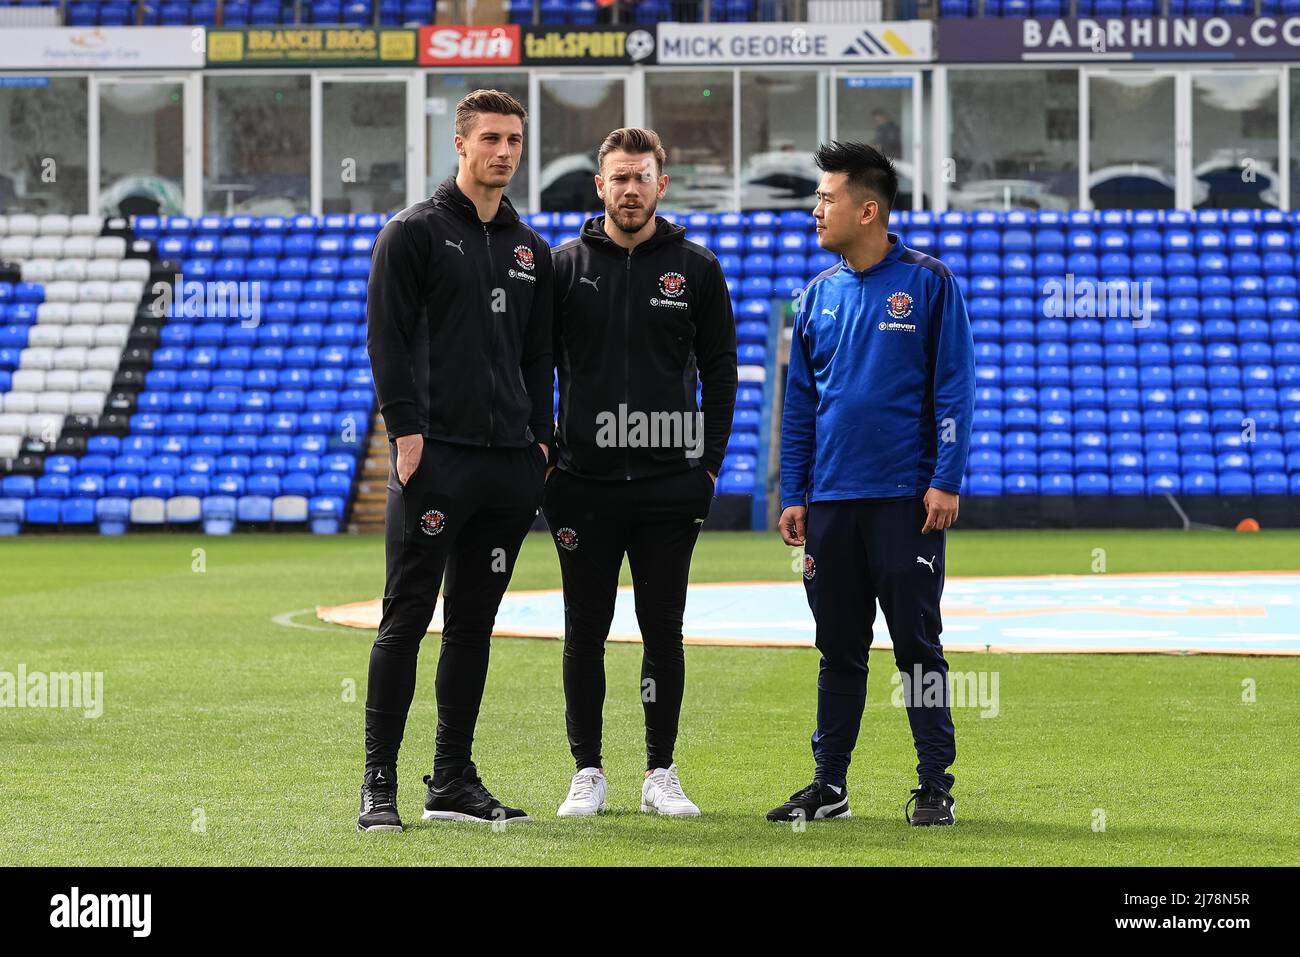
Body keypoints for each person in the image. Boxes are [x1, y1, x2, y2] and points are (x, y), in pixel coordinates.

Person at [358, 90, 553, 831]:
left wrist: (541, 439)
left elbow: (538, 355)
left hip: (508, 468)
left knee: (473, 624)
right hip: (437, 459)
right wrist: (407, 434)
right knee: (405, 618)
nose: (504, 151)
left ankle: (450, 778)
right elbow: (386, 339)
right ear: (460, 144)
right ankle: (379, 782)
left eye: (514, 140)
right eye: (491, 139)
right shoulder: (411, 233)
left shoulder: (528, 246)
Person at [767, 141, 974, 827]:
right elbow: (800, 404)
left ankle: (934, 784)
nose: (815, 210)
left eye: (826, 199)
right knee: (838, 646)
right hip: (830, 503)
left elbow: (954, 386)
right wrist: (792, 491)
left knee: (916, 642)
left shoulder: (929, 282)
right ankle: (830, 785)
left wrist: (945, 477)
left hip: (904, 500)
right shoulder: (816, 297)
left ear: (869, 208)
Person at [544, 127, 738, 818]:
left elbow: (721, 372)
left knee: (664, 629)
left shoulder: (697, 266)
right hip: (581, 485)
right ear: (599, 187)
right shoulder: (563, 266)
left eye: (642, 177)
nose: (630, 189)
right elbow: (537, 370)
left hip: (668, 486)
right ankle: (587, 770)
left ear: (662, 184)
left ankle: (661, 770)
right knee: (584, 631)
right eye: (618, 178)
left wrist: (708, 466)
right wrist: (547, 458)